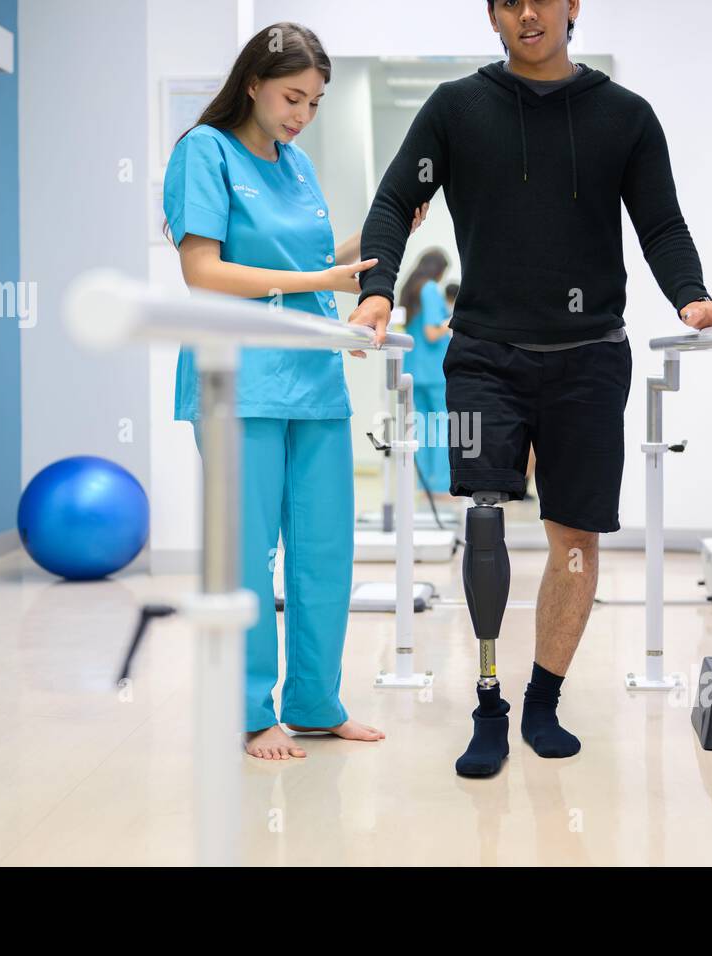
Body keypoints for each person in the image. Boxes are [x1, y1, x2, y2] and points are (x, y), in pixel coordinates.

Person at [347, 0, 712, 777]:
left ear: (572, 7)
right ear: (492, 16)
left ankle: (544, 698)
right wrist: (379, 288)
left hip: (591, 360)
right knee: (483, 521)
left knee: (577, 540)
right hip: (481, 356)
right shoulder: (457, 109)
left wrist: (689, 294)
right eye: (509, 2)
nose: (528, 14)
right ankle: (487, 698)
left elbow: (660, 223)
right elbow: (395, 200)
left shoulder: (625, 117)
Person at [162, 22, 427, 761]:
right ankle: (249, 712)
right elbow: (203, 270)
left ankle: (315, 701)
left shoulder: (298, 167)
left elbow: (313, 258)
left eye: (313, 103)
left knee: (322, 549)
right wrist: (321, 282)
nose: (300, 115)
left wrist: (376, 239)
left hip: (312, 378)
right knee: (249, 555)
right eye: (291, 97)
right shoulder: (202, 153)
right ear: (252, 83)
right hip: (237, 378)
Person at [398, 248, 453, 495]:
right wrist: (454, 320)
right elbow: (432, 332)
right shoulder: (430, 289)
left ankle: (422, 485)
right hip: (433, 371)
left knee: (420, 425)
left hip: (412, 370)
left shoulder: (410, 290)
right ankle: (440, 484)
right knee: (442, 425)